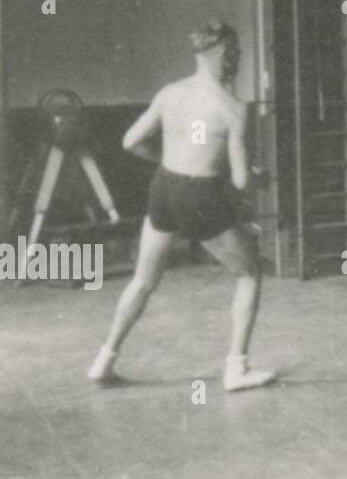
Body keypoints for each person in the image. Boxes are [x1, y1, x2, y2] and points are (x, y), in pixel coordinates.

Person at [87, 21, 275, 391]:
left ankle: (103, 360)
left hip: (164, 188)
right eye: (234, 52)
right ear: (222, 53)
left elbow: (130, 142)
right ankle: (236, 369)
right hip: (200, 198)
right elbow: (238, 182)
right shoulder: (233, 108)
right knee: (250, 274)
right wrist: (258, 176)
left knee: (143, 281)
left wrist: (169, 160)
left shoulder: (171, 93)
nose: (237, 59)